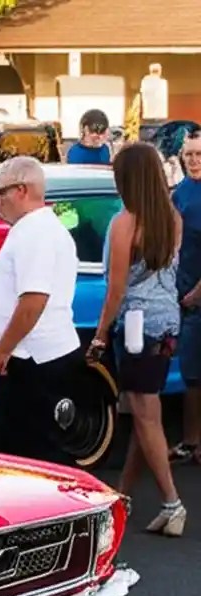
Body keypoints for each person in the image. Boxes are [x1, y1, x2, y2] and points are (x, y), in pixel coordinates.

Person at [90, 141, 185, 536]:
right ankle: (123, 496)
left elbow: (115, 289)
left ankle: (173, 503)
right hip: (167, 323)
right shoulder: (172, 217)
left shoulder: (124, 223)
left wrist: (98, 336)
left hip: (134, 327)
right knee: (144, 412)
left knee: (145, 415)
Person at [0, 157, 82, 461]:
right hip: (43, 355)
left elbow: (34, 300)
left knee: (30, 453)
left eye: (0, 191)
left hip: (33, 359)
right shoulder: (43, 227)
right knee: (42, 445)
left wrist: (2, 349)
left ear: (21, 190)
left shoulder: (33, 232)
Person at [171, 131, 201, 463]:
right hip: (181, 294)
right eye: (189, 155)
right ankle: (192, 441)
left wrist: (196, 294)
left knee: (195, 376)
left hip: (196, 297)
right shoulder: (181, 192)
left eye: (199, 155)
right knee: (191, 373)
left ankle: (194, 443)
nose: (194, 160)